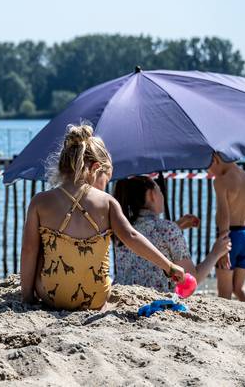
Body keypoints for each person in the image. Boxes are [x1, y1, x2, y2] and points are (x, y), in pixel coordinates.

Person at [19, 124, 185, 310]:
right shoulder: (107, 202)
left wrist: (27, 297)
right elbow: (131, 237)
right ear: (96, 168)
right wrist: (169, 266)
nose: (105, 186)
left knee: (40, 246)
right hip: (96, 298)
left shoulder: (40, 201)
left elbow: (28, 250)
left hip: (52, 296)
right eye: (106, 179)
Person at [112, 175, 229, 292]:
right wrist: (216, 252)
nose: (163, 196)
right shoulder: (168, 229)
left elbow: (147, 236)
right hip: (157, 298)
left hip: (123, 294)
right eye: (160, 191)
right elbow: (191, 279)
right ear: (151, 195)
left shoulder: (122, 229)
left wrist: (176, 225)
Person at [210, 153, 245, 301]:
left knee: (224, 292)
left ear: (216, 159)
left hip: (230, 237)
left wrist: (224, 244)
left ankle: (224, 324)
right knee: (239, 288)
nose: (208, 172)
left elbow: (224, 215)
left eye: (208, 166)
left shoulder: (221, 181)